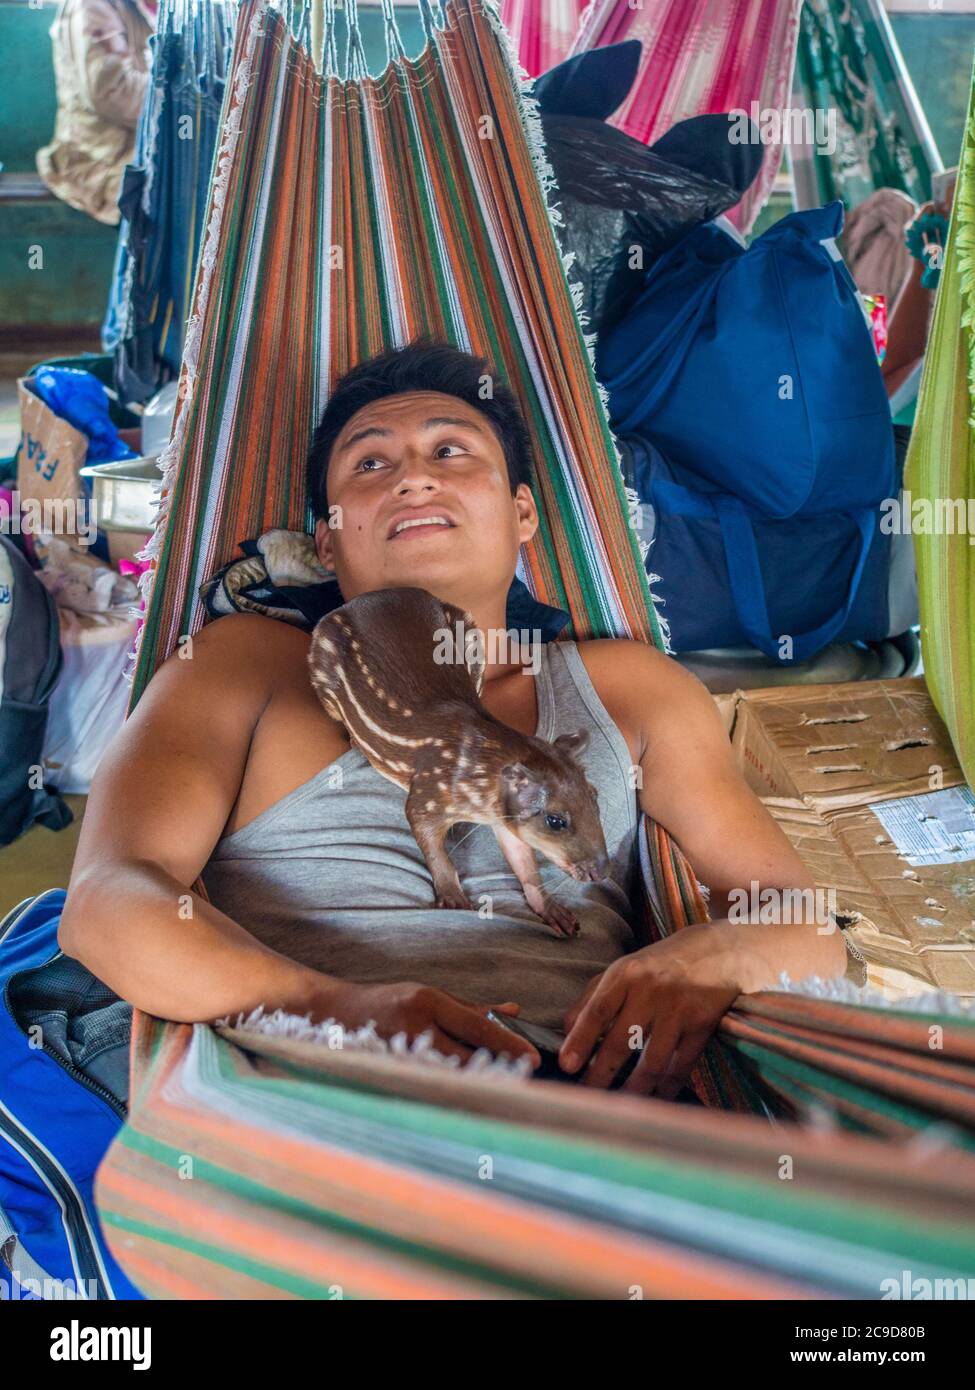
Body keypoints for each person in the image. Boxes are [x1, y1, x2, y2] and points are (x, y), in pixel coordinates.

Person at [57, 341, 847, 1098]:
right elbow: (109, 901)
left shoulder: (630, 690)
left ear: (523, 514)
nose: (412, 480)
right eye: (370, 462)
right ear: (327, 543)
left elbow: (803, 922)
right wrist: (331, 1010)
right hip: (311, 1098)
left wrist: (711, 956)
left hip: (584, 1099)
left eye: (451, 452)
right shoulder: (247, 665)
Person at [36, 0, 158, 226]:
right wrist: (185, 99)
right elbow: (114, 94)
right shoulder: (91, 5)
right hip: (99, 159)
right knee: (171, 199)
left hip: (145, 149)